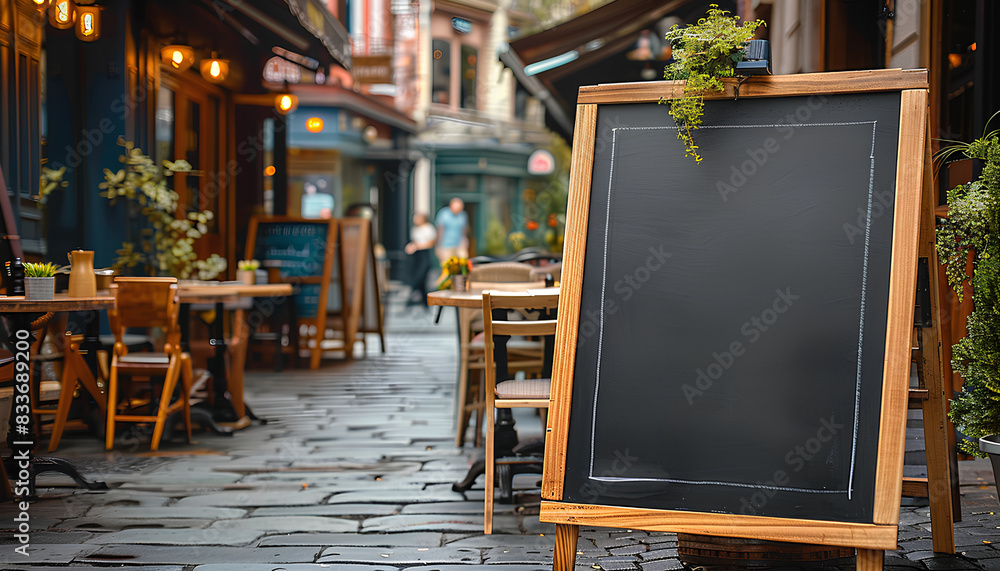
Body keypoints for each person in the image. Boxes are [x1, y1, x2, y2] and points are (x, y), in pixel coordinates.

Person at [404, 212, 436, 306]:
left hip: (425, 255)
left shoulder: (429, 228)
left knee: (421, 276)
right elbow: (414, 241)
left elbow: (431, 243)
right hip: (416, 256)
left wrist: (417, 246)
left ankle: (412, 298)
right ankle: (424, 303)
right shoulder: (414, 229)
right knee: (418, 278)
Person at [435, 197, 469, 262]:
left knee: (463, 263)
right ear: (451, 206)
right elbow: (440, 230)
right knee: (447, 265)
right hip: (445, 245)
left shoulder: (463, 215)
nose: (458, 210)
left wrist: (465, 241)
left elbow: (464, 230)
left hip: (459, 244)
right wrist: (438, 245)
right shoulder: (444, 214)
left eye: (460, 208)